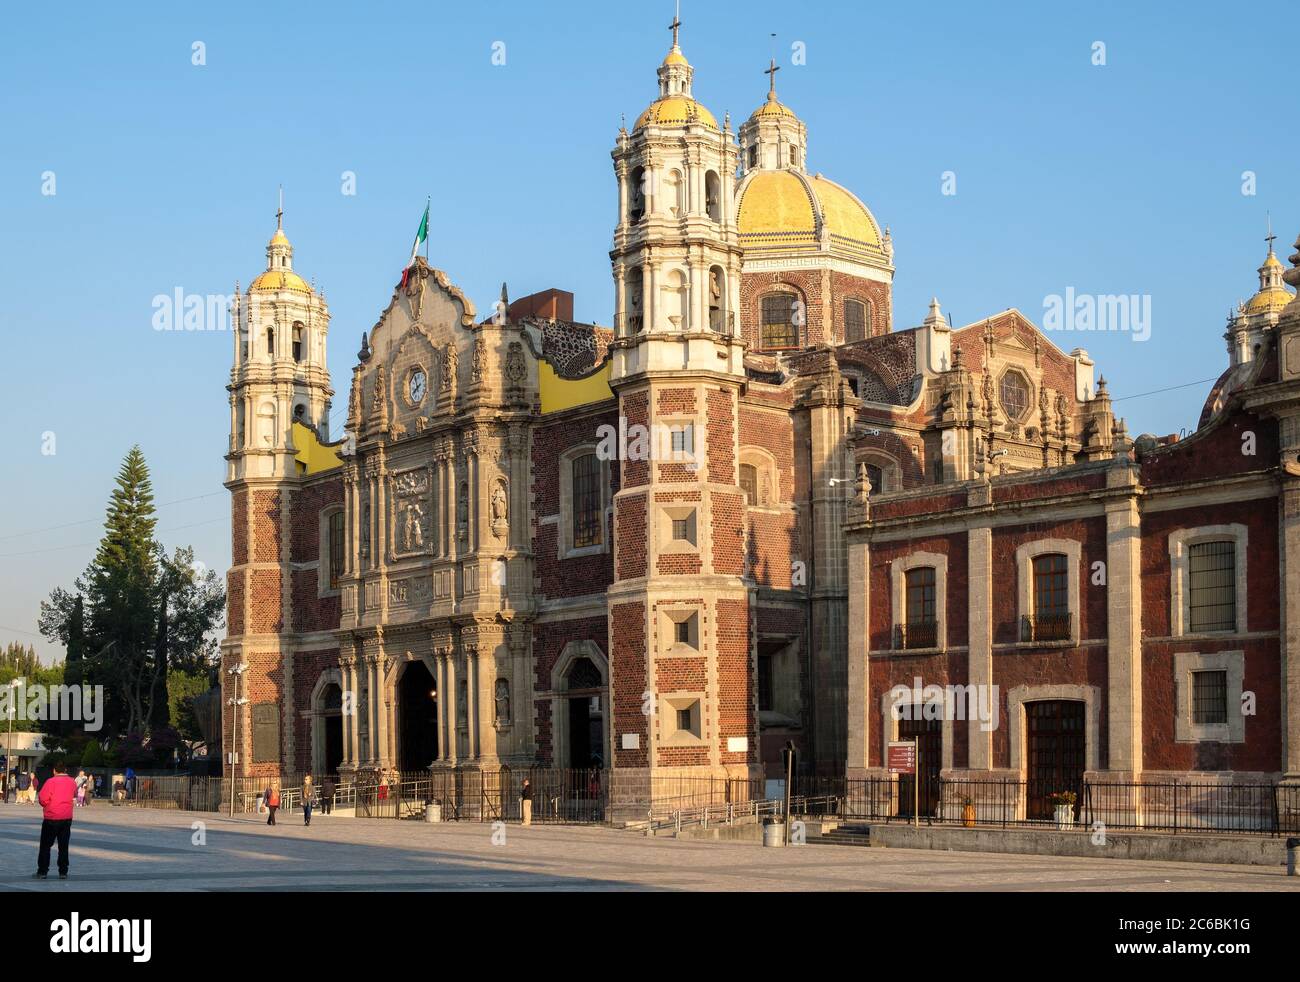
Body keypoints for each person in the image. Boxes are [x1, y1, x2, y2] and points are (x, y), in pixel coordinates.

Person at [34, 762, 76, 879]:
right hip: (66, 817)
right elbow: (74, 794)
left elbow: (43, 799)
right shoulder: (72, 782)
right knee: (63, 846)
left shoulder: (51, 782)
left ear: (54, 770)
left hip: (51, 817)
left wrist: (48, 804)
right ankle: (63, 871)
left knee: (45, 846)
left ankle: (43, 871)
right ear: (65, 770)